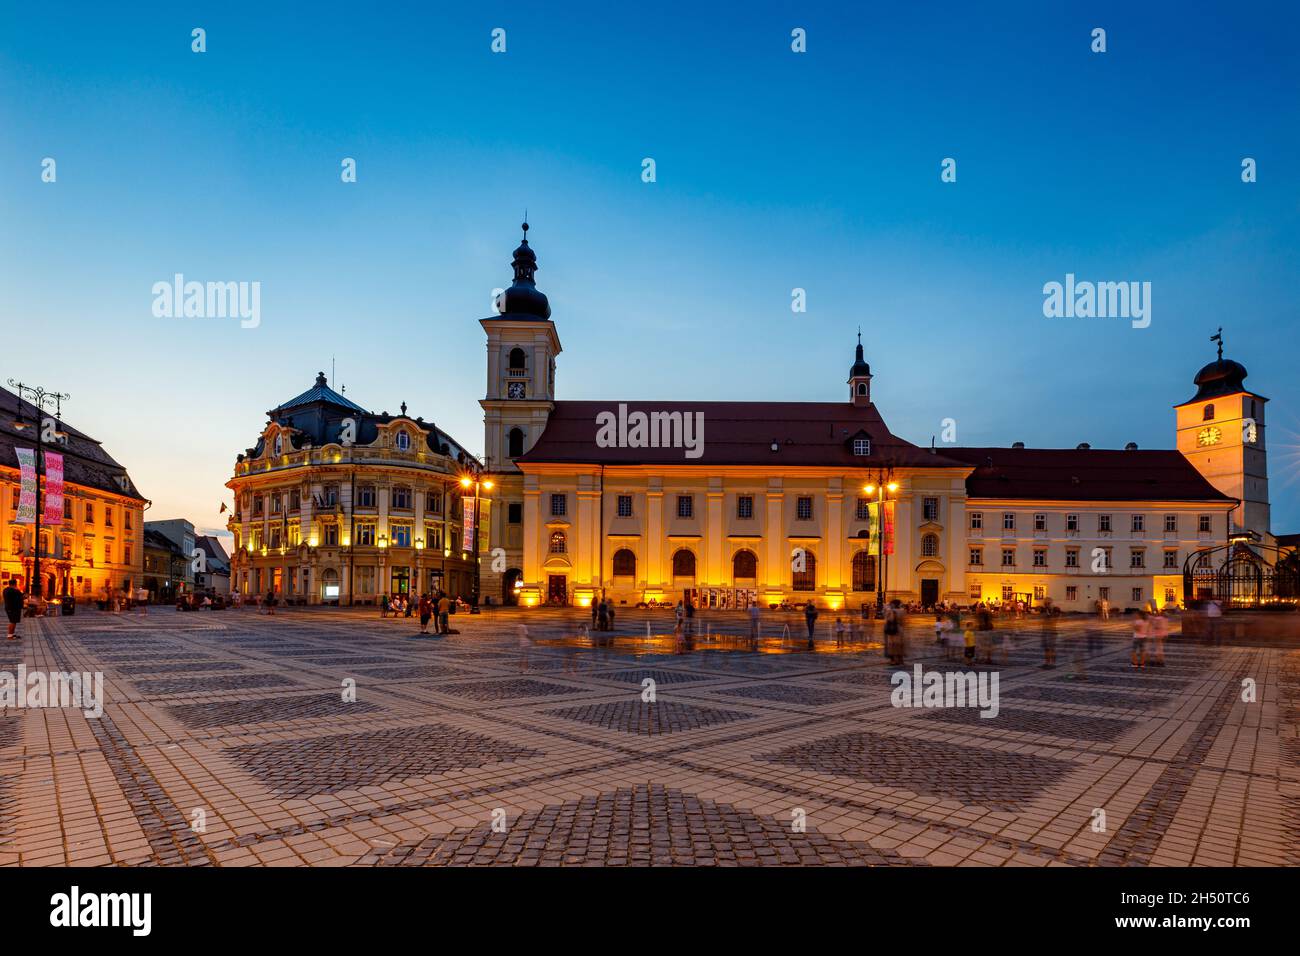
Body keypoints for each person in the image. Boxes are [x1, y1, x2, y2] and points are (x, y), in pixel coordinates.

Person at [883, 599, 904, 665]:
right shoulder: (902, 611)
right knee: (899, 645)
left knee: (892, 645)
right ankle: (900, 660)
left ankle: (894, 660)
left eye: (891, 604)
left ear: (894, 604)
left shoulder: (892, 611)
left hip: (893, 629)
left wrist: (886, 611)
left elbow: (890, 619)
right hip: (900, 629)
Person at [1039, 598, 1057, 668]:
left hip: (1052, 632)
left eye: (1047, 603)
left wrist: (1049, 613)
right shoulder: (1045, 610)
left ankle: (1052, 664)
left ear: (1051, 603)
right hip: (1045, 631)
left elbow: (1054, 620)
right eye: (1045, 603)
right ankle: (1047, 663)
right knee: (1046, 648)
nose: (1046, 605)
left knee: (1051, 648)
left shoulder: (1054, 610)